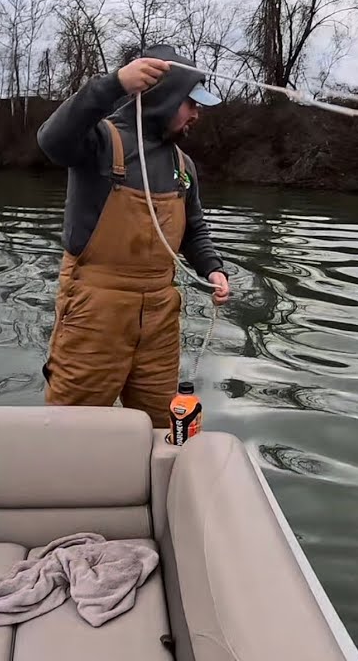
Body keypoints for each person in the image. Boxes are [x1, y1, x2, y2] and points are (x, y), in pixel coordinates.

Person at [35, 44, 231, 428]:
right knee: (70, 430)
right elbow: (51, 140)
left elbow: (194, 229)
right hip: (94, 314)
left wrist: (213, 269)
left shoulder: (183, 166)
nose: (197, 113)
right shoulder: (101, 142)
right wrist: (113, 84)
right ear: (163, 97)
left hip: (160, 317)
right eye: (190, 103)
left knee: (165, 427)